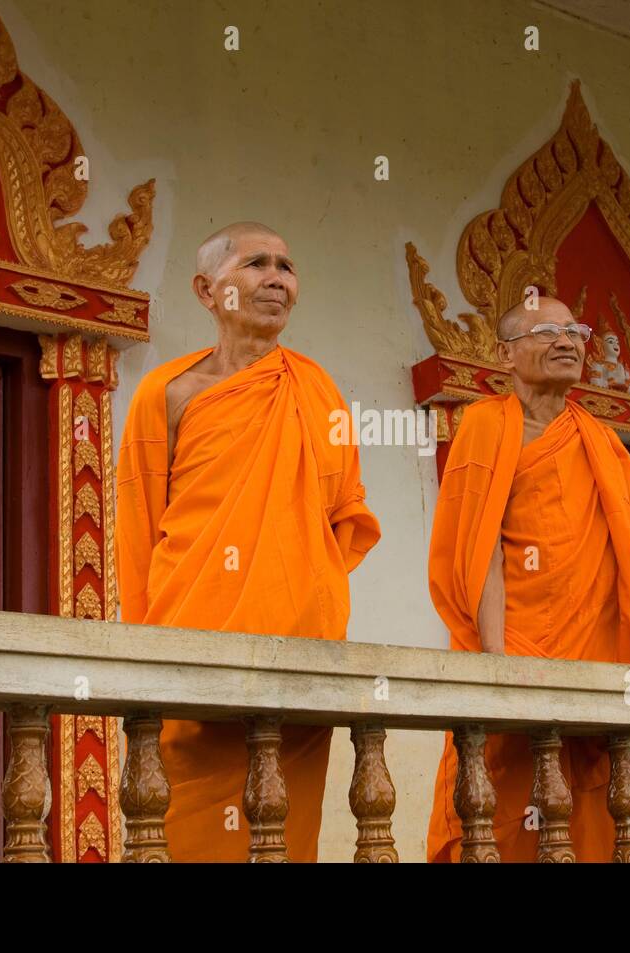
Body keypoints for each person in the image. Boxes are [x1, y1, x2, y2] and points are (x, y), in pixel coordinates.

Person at [116, 222, 380, 861]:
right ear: (208, 290)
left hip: (301, 651)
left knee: (280, 831)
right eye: (257, 263)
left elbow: (342, 520)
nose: (277, 279)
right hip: (190, 640)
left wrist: (295, 588)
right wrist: (149, 644)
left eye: (287, 268)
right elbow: (138, 525)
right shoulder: (168, 393)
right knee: (182, 832)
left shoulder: (315, 389)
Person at [426, 295, 630, 862]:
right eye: (545, 330)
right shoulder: (485, 424)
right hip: (520, 649)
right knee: (509, 816)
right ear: (505, 353)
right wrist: (496, 662)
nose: (567, 341)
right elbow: (481, 550)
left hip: (599, 657)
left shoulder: (598, 437)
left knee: (608, 819)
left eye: (576, 331)